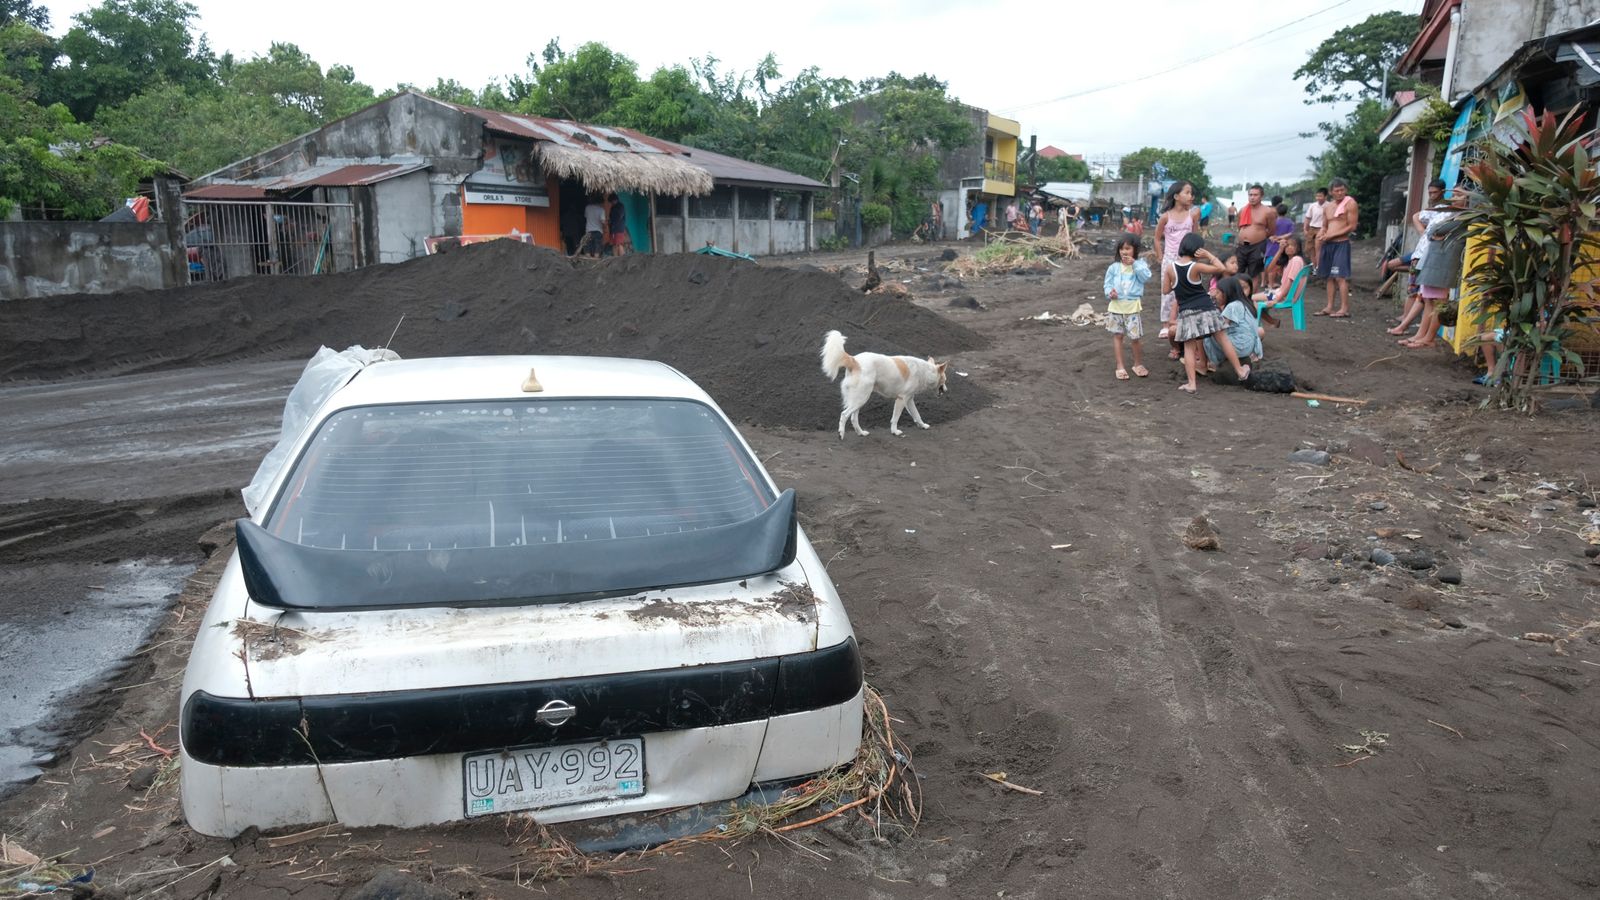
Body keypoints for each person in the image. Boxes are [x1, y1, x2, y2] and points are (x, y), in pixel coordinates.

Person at [1172, 233, 1248, 393]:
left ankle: (1192, 384)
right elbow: (1221, 268)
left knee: (1189, 347)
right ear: (1196, 249)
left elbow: (1166, 289)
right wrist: (1208, 255)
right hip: (1205, 307)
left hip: (1186, 311)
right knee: (1222, 337)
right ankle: (1240, 371)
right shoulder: (1195, 266)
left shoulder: (1170, 268)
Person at [1403, 192, 1468, 349]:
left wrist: (1436, 233)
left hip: (1444, 263)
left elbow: (1437, 230)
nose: (1455, 196)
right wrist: (1434, 233)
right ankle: (1422, 335)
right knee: (1428, 299)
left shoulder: (1465, 216)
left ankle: (1429, 337)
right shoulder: (1444, 210)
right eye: (1454, 193)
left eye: (1460, 194)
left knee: (1438, 301)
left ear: (1467, 198)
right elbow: (1432, 232)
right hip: (1431, 258)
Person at [1387, 178, 1450, 336]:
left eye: (1434, 192)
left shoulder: (1446, 210)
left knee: (1422, 296)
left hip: (1432, 257)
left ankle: (1410, 329)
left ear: (1443, 192)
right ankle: (1409, 327)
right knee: (1419, 294)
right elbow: (1416, 216)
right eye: (1430, 193)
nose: (1432, 195)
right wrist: (1423, 232)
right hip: (1422, 255)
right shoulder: (1436, 210)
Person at [1153, 180, 1200, 342]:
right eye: (1187, 192)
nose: (1190, 196)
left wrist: (1196, 256)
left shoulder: (1192, 215)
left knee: (1187, 291)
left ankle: (1183, 321)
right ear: (1176, 196)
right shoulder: (1165, 217)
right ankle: (1166, 325)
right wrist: (1160, 257)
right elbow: (1157, 239)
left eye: (1191, 193)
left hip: (1187, 259)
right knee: (1167, 293)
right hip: (1170, 258)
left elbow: (1195, 237)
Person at [1103, 237, 1153, 380]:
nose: (1124, 252)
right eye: (1122, 248)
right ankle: (1120, 366)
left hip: (1132, 307)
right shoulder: (1113, 268)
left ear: (1135, 250)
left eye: (1128, 248)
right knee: (1118, 336)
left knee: (1135, 337)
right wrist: (1110, 293)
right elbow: (1107, 285)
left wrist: (1135, 264)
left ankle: (1137, 364)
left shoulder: (1140, 265)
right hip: (1116, 307)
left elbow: (1146, 277)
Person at [1314, 178, 1359, 317]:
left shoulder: (1350, 203)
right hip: (1328, 244)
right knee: (1329, 277)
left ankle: (1344, 309)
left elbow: (1352, 226)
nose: (1340, 193)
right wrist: (1322, 234)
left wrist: (1331, 236)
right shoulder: (1328, 207)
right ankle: (1329, 307)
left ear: (1346, 190)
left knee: (1340, 277)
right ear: (1331, 192)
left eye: (1342, 190)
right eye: (1337, 190)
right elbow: (1324, 226)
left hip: (1341, 243)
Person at [1205, 276, 1264, 373]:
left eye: (1218, 292)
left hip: (1241, 346)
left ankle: (1209, 363)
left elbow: (1220, 325)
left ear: (1227, 293)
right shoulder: (1246, 303)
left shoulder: (1232, 306)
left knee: (1208, 334)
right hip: (1250, 346)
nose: (1216, 295)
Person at [1254, 234, 1306, 327]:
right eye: (1287, 245)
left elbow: (1290, 282)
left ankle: (1272, 321)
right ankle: (1272, 321)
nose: (1289, 247)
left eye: (1293, 245)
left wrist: (1276, 300)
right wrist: (1280, 250)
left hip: (1282, 295)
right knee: (1252, 299)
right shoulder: (1289, 261)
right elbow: (1269, 270)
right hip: (1279, 292)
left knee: (1250, 299)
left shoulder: (1296, 260)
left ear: (1298, 249)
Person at [1233, 185, 1277, 289]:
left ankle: (1251, 299)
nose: (1252, 197)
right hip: (1241, 246)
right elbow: (1239, 226)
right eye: (1250, 195)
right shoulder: (1243, 210)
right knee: (1237, 271)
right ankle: (1237, 296)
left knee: (1254, 273)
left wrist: (1258, 237)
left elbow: (1271, 230)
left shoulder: (1268, 212)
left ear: (1261, 196)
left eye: (1255, 195)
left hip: (1257, 246)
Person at [1303, 187, 1328, 264]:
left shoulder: (1329, 206)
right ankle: (1314, 266)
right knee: (1310, 248)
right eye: (1317, 196)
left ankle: (1319, 267)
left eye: (1320, 196)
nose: (1318, 198)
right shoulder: (1312, 205)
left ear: (1325, 196)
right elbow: (1307, 218)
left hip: (1322, 229)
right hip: (1312, 228)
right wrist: (1305, 229)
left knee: (1319, 248)